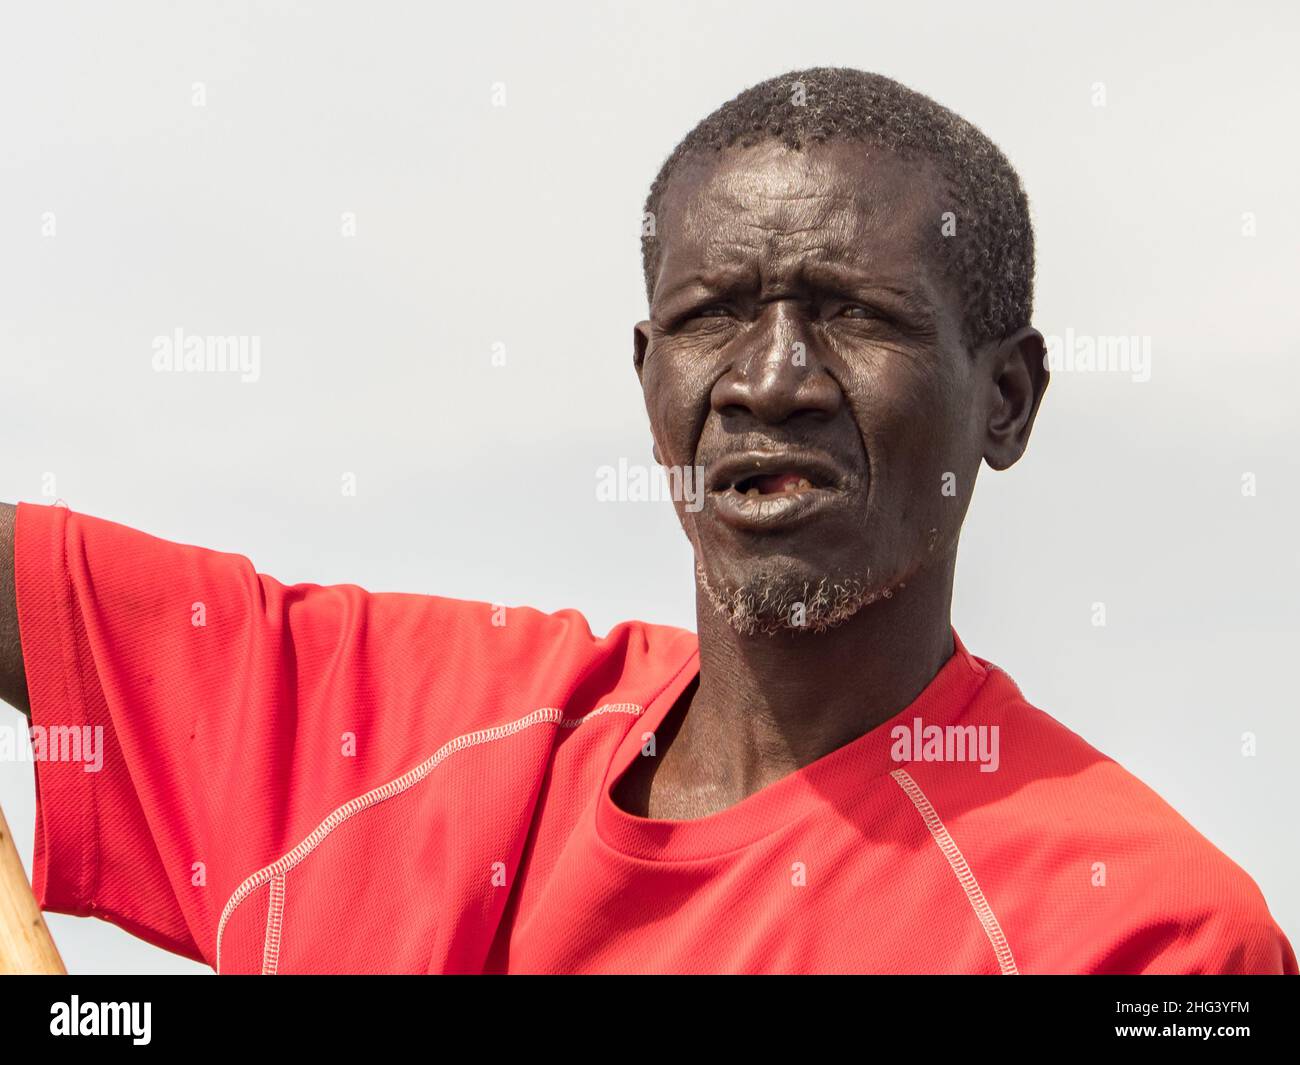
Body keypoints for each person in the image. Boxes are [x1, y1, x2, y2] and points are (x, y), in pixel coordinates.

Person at [0, 67, 1293, 974]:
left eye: (853, 313)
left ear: (1004, 400)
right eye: (710, 314)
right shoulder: (407, 735)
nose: (769, 375)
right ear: (647, 376)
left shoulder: (1139, 935)